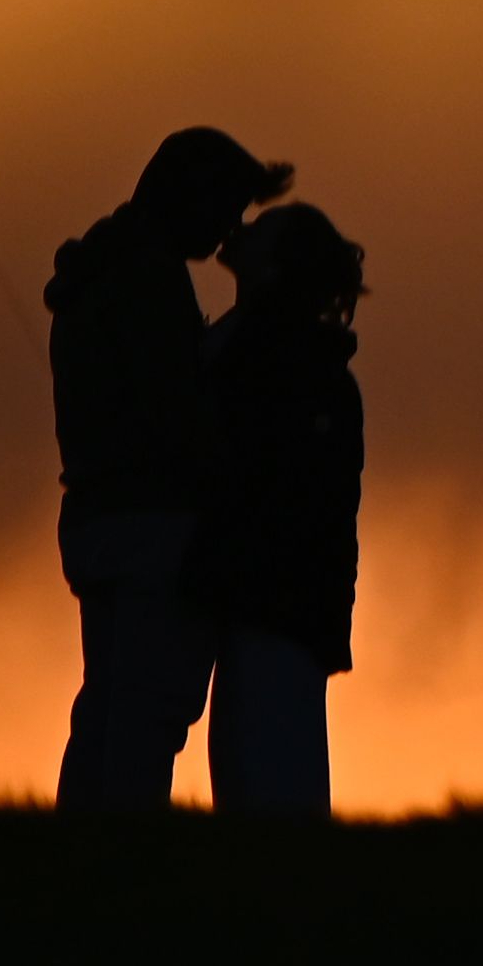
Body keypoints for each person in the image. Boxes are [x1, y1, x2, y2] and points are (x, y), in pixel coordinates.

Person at [44, 127, 292, 810]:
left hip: (100, 516)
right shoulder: (148, 278)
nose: (228, 231)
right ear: (191, 196)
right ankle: (126, 865)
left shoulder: (105, 265)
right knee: (146, 716)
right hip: (155, 525)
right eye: (227, 207)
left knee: (109, 707)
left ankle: (87, 859)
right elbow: (176, 412)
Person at [189, 202, 366, 815]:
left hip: (271, 601)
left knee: (263, 785)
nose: (241, 228)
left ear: (278, 265)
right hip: (283, 604)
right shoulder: (306, 361)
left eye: (262, 229)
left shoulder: (271, 354)